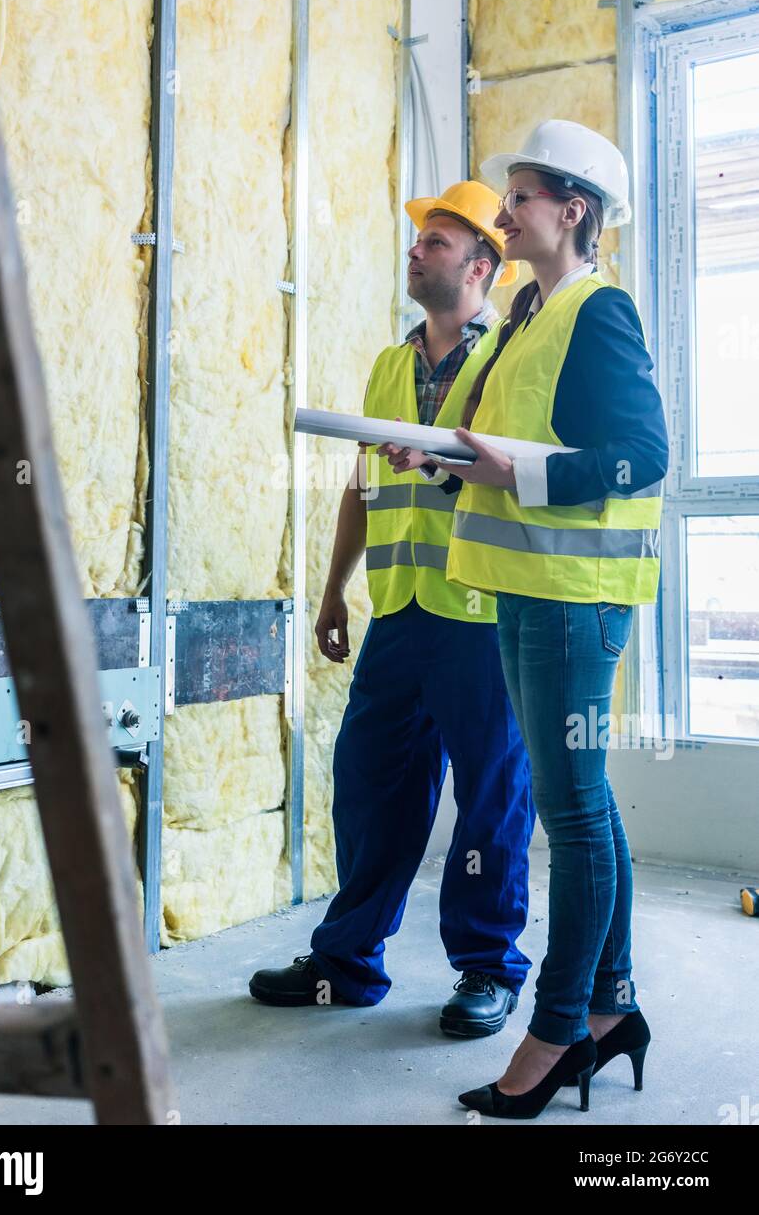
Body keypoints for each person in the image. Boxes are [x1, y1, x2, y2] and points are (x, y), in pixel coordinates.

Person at [386, 121, 668, 1118]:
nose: (501, 218)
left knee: (574, 818)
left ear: (572, 211)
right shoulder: (525, 315)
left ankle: (554, 1033)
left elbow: (644, 455)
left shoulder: (599, 313)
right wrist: (457, 459)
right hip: (523, 595)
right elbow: (509, 447)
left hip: (570, 606)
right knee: (586, 806)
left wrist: (520, 470)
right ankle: (611, 1008)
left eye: (519, 199)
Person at [249, 182, 535, 1035]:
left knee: (489, 796)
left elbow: (518, 476)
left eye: (436, 243)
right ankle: (347, 962)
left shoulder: (507, 358)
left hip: (481, 613)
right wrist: (334, 588)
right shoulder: (389, 363)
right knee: (370, 786)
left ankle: (487, 968)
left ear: (481, 264)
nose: (416, 253)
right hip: (400, 611)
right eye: (418, 243)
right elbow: (363, 481)